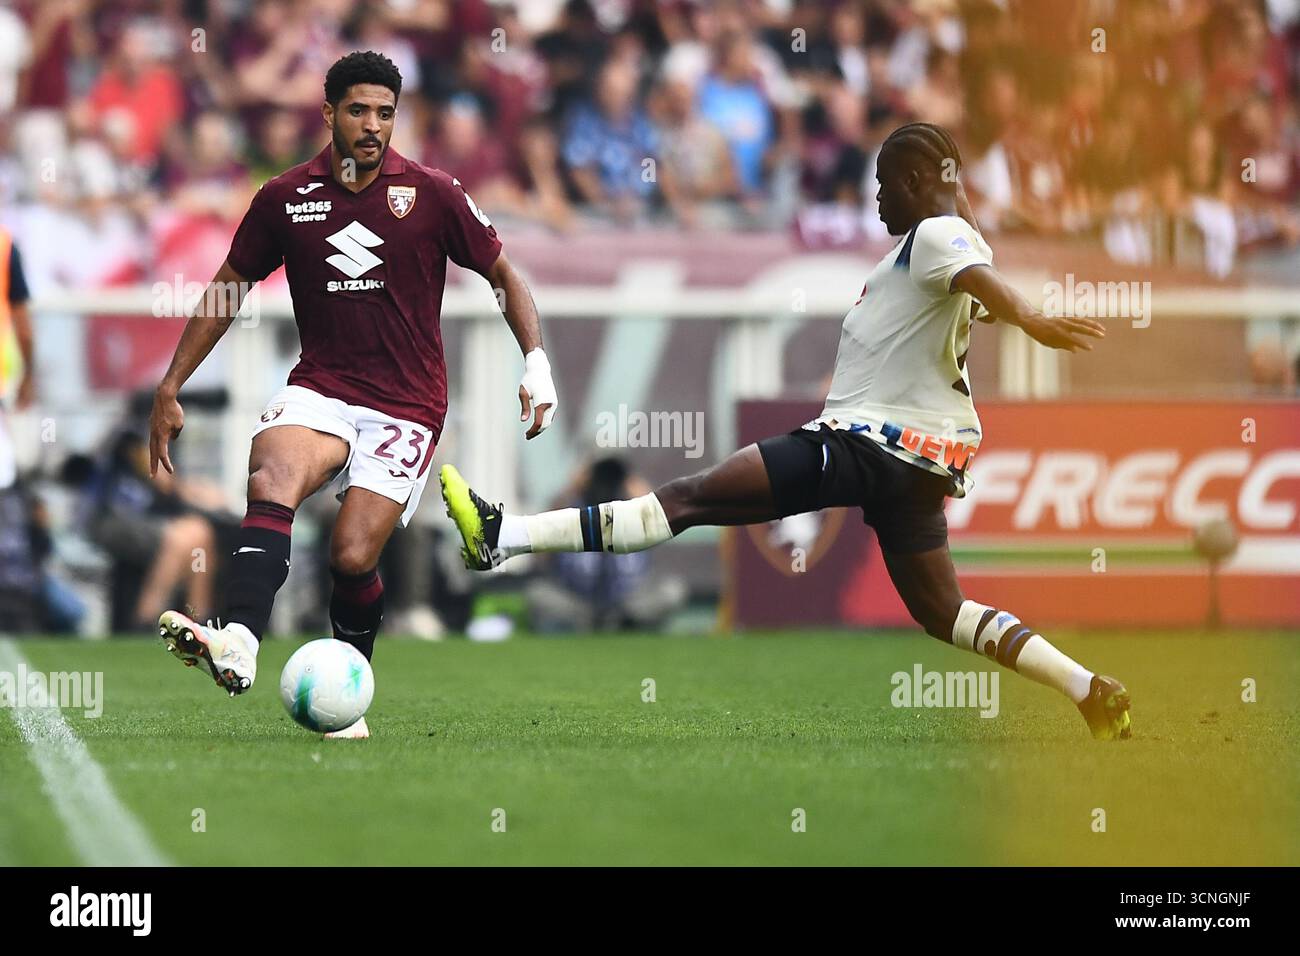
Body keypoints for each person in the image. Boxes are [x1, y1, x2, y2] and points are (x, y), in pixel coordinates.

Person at [442, 122, 1132, 742]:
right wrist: (957, 187)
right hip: (918, 464)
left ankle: (503, 536)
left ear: (919, 183)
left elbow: (982, 278)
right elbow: (973, 262)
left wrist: (1034, 319)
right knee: (944, 612)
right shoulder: (934, 247)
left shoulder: (932, 238)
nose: (877, 199)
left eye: (885, 183)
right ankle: (1088, 689)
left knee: (689, 499)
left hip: (867, 444)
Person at [148, 51, 556, 739]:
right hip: (323, 385)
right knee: (271, 473)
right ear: (329, 112)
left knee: (350, 556)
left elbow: (504, 274)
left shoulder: (432, 193)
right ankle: (239, 642)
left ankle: (347, 695)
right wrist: (171, 383)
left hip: (408, 401)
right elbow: (228, 289)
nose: (373, 126)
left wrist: (536, 360)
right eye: (360, 111)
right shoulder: (284, 198)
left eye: (386, 113)